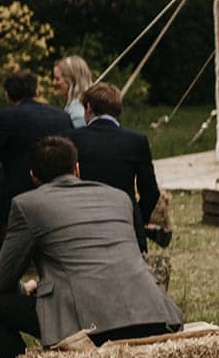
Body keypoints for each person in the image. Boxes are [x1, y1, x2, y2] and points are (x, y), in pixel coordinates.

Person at [0, 135, 181, 358]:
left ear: (33, 176)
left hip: (88, 326)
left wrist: (26, 289)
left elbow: (2, 281)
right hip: (150, 314)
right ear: (77, 168)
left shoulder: (27, 205)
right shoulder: (118, 197)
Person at [0, 71, 76, 257]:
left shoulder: (7, 117)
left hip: (18, 190)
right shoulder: (62, 116)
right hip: (61, 186)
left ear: (8, 94)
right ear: (36, 91)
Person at [69, 84, 162, 252]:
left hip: (84, 224)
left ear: (88, 108)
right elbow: (150, 191)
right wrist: (137, 218)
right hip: (125, 223)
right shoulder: (136, 141)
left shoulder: (72, 139)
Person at [52, 56, 97, 130]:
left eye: (57, 79)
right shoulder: (78, 106)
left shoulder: (77, 112)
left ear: (71, 80)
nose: (54, 83)